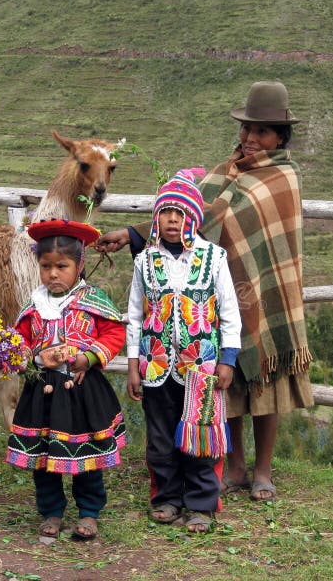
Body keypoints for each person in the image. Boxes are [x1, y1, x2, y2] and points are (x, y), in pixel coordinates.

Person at [99, 81, 313, 502]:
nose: (251, 139)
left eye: (263, 132)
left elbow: (264, 233)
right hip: (213, 287)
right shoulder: (223, 172)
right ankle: (233, 465)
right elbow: (193, 214)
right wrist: (134, 233)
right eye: (247, 129)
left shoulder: (283, 177)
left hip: (262, 292)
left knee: (265, 376)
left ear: (280, 137)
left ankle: (263, 469)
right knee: (226, 382)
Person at [125, 170, 241, 533]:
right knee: (160, 437)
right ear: (156, 217)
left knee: (201, 434)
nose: (173, 220)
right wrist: (132, 365)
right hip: (155, 363)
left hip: (201, 367)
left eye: (181, 213)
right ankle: (167, 499)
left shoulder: (213, 257)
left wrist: (227, 360)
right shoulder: (145, 261)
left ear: (194, 217)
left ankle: (201, 505)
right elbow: (134, 314)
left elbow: (230, 311)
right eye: (166, 212)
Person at [7, 218, 127, 540]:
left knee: (86, 455)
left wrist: (88, 357)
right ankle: (52, 510)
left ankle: (89, 512)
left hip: (81, 391)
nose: (53, 274)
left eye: (62, 266)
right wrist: (20, 356)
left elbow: (115, 333)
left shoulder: (93, 301)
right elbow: (21, 341)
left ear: (80, 265)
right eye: (46, 266)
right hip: (42, 393)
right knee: (43, 458)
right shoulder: (34, 306)